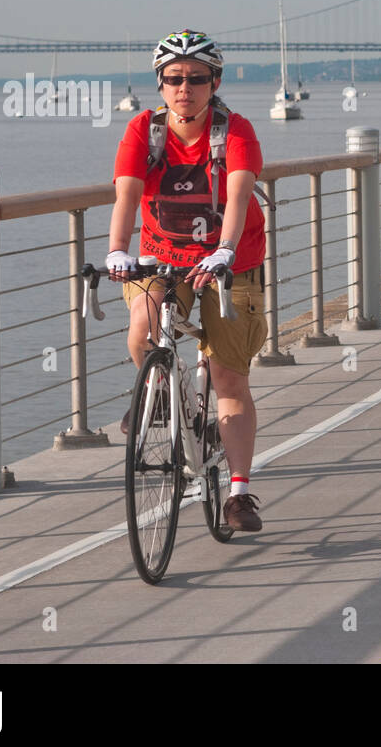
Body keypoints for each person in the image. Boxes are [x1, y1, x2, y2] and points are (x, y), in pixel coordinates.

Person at [107, 29, 269, 532]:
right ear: (159, 85)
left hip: (231, 259)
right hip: (163, 257)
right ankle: (162, 401)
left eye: (196, 79)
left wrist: (223, 249)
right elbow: (127, 197)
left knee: (228, 377)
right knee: (143, 325)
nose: (185, 88)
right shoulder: (144, 131)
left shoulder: (234, 131)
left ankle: (239, 492)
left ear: (214, 82)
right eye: (174, 79)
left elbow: (239, 197)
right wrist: (117, 250)